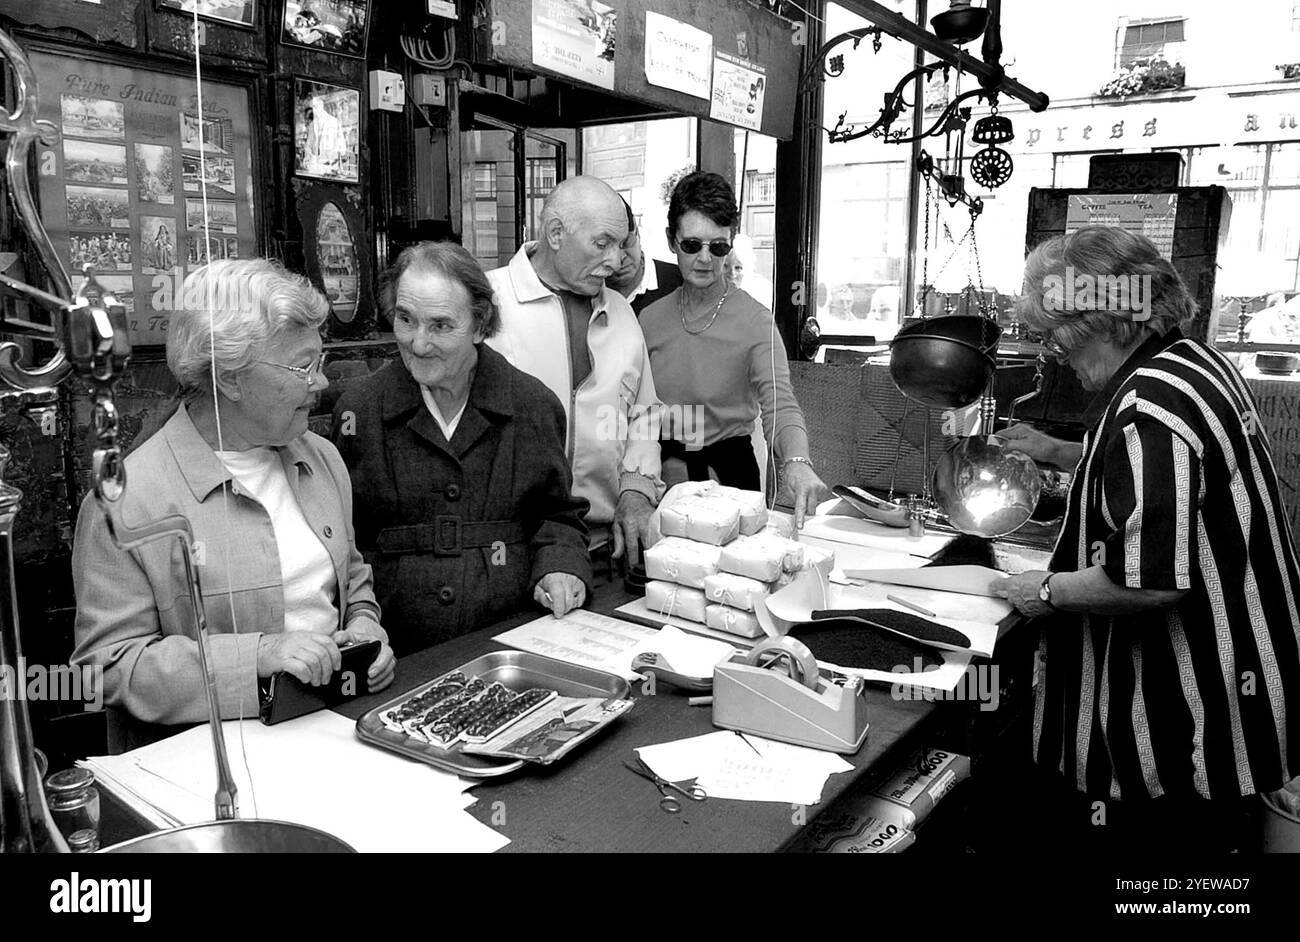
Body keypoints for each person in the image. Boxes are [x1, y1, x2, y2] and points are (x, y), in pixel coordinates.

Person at [994, 226, 1300, 853]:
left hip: (1189, 714)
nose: (1052, 354)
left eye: (1054, 335)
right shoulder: (1192, 363)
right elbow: (1157, 479)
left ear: (1100, 320)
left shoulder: (1149, 405)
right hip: (1250, 677)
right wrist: (1059, 452)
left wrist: (1041, 588)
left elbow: (1150, 581)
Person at [71, 259, 394, 749]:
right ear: (230, 379)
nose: (321, 383)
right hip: (212, 765)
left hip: (337, 730)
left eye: (320, 362)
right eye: (302, 367)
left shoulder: (321, 457)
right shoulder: (126, 500)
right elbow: (106, 669)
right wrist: (260, 657)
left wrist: (365, 628)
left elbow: (350, 578)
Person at [334, 242, 592, 654]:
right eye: (405, 320)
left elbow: (557, 515)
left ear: (479, 325)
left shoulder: (532, 406)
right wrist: (359, 620)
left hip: (509, 639)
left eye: (440, 326)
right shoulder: (360, 412)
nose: (418, 344)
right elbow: (341, 542)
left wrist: (560, 567)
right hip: (395, 649)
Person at [486, 176, 664, 576]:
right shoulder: (488, 302)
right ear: (555, 233)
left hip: (605, 550)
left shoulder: (620, 312)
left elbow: (645, 412)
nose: (617, 261)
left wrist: (636, 488)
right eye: (602, 244)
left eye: (621, 245)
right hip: (511, 551)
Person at [639, 171, 829, 526]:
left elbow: (780, 403)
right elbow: (635, 411)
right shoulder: (650, 319)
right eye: (692, 245)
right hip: (664, 475)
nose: (705, 259)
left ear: (731, 244)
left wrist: (797, 463)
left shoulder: (755, 320)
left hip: (730, 478)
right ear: (671, 240)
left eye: (719, 247)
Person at [606, 197, 683, 315]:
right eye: (605, 247)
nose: (619, 258)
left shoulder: (680, 283)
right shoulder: (589, 292)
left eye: (626, 242)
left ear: (637, 232)